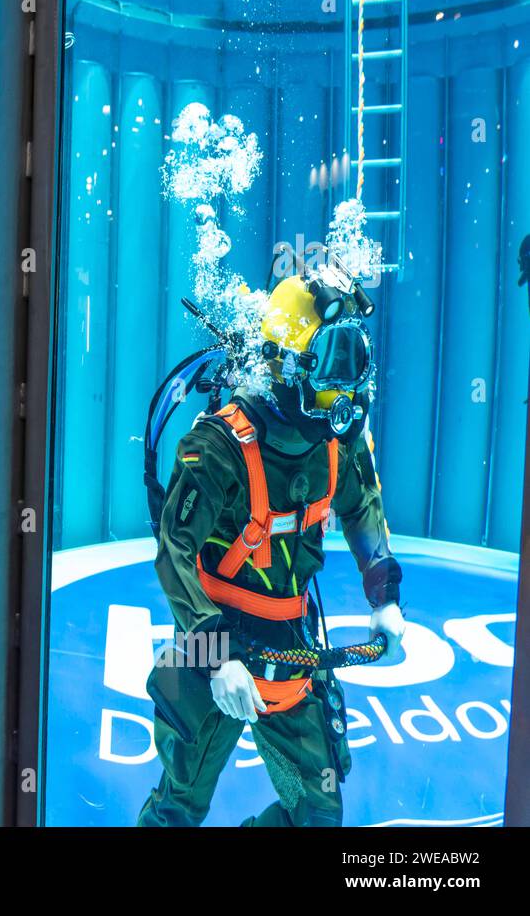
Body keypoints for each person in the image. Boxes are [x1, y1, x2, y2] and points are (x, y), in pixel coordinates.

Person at [139, 273, 406, 827]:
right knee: (178, 807)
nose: (347, 384)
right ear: (286, 362)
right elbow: (174, 548)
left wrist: (383, 591)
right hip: (213, 646)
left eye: (355, 360)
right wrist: (215, 657)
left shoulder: (339, 439)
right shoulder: (218, 444)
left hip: (293, 646)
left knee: (317, 812)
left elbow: (361, 505)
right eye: (333, 360)